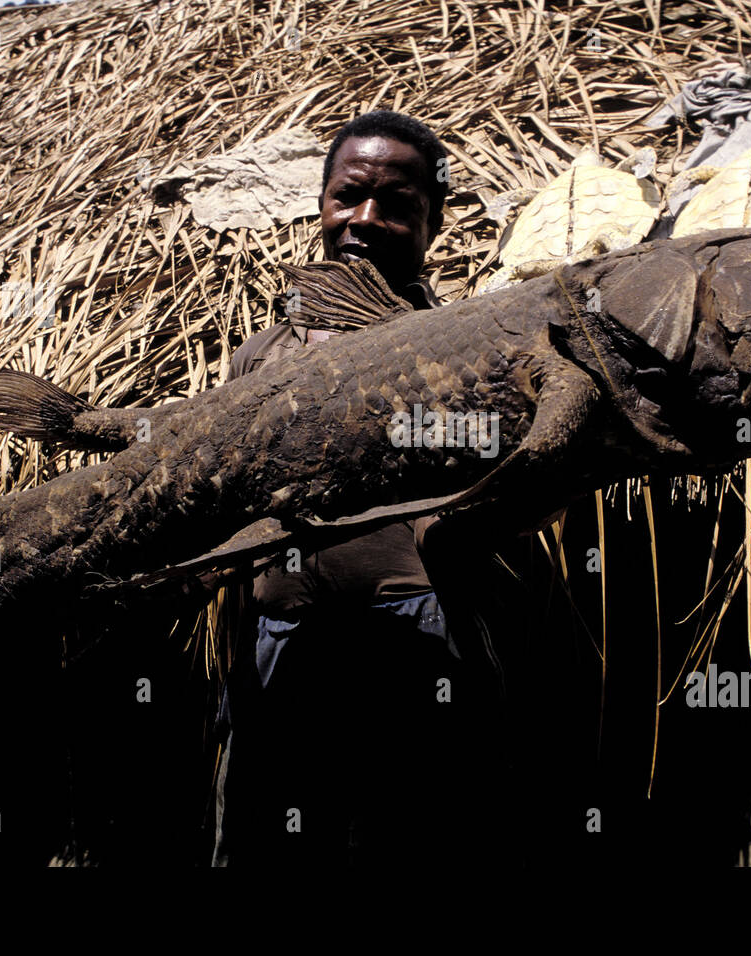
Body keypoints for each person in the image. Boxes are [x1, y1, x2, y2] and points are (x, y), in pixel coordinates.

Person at [211, 111, 516, 871]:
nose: (366, 221)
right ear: (322, 204)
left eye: (398, 204)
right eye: (348, 197)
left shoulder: (474, 343)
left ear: (432, 221)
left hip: (414, 635)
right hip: (281, 641)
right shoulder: (260, 356)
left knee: (411, 842)